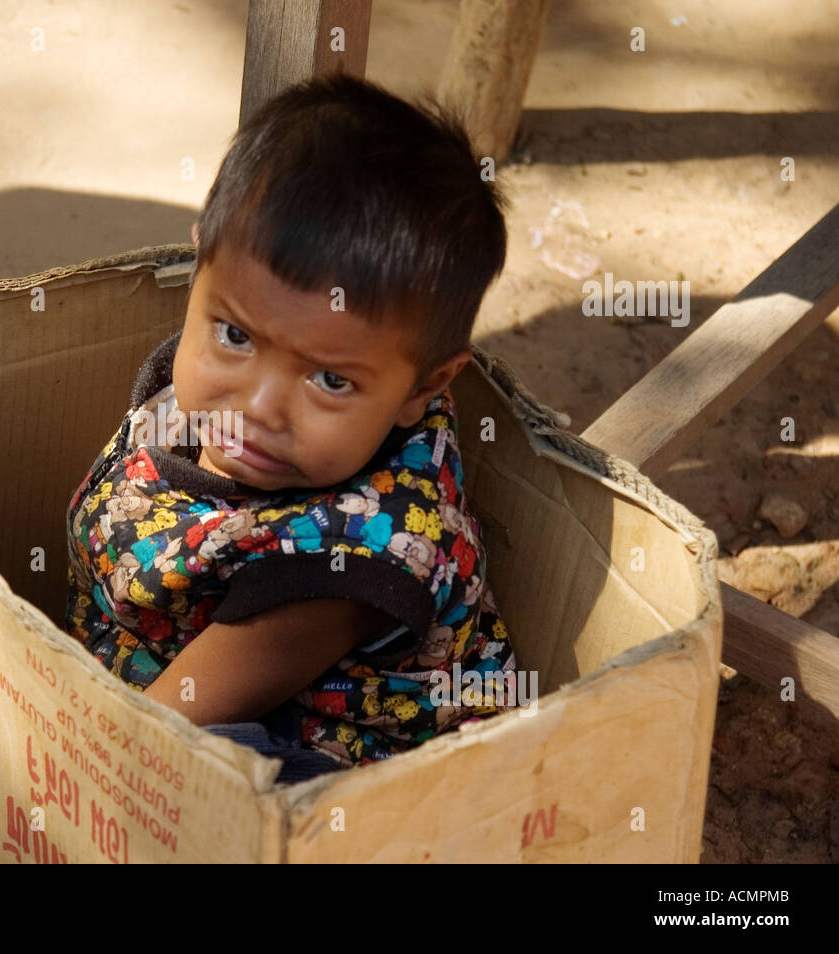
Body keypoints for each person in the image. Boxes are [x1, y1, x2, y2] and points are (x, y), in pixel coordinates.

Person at [63, 73, 519, 784]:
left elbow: (169, 719)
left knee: (220, 781)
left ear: (426, 386)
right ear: (198, 271)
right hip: (162, 664)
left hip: (330, 762)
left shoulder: (348, 564)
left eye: (330, 381)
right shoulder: (201, 408)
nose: (259, 407)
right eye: (236, 336)